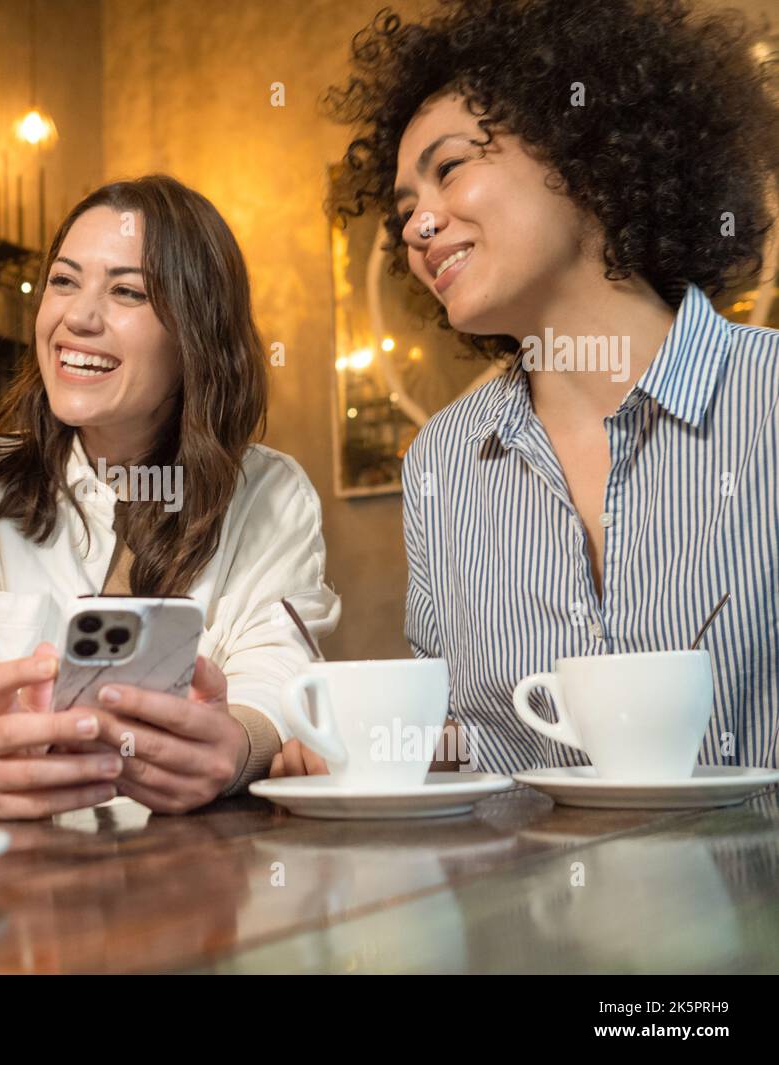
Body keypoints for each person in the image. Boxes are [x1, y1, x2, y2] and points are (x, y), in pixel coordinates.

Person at [278, 0, 779, 776]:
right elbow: (487, 738)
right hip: (543, 899)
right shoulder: (441, 460)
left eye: (449, 170)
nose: (416, 228)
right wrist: (379, 747)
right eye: (405, 210)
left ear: (585, 152)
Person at [0, 174, 341, 822]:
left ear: (197, 335)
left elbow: (279, 670)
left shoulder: (270, 495)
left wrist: (234, 746)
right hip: (10, 888)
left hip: (201, 886)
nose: (78, 317)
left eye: (127, 291)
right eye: (63, 281)